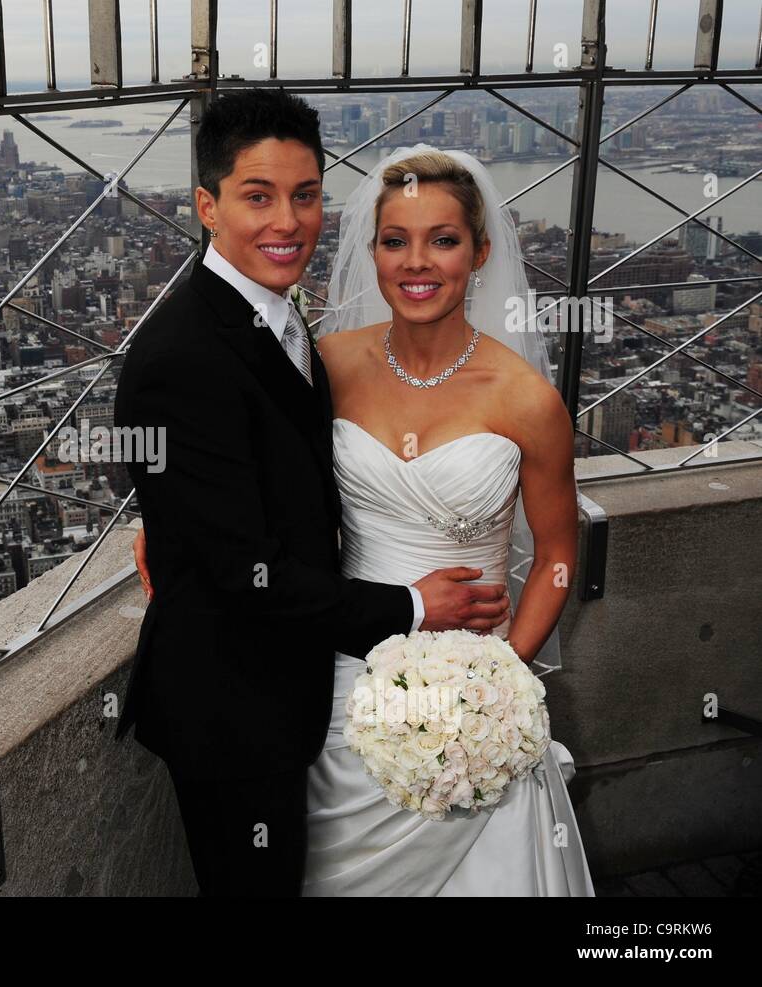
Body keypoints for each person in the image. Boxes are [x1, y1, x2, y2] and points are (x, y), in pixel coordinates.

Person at [132, 141, 596, 896]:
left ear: (479, 253)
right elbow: (255, 469)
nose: (417, 264)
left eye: (443, 241)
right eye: (395, 241)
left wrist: (502, 675)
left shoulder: (527, 401)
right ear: (372, 252)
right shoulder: (327, 364)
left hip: (471, 678)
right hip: (332, 677)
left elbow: (554, 557)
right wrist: (181, 522)